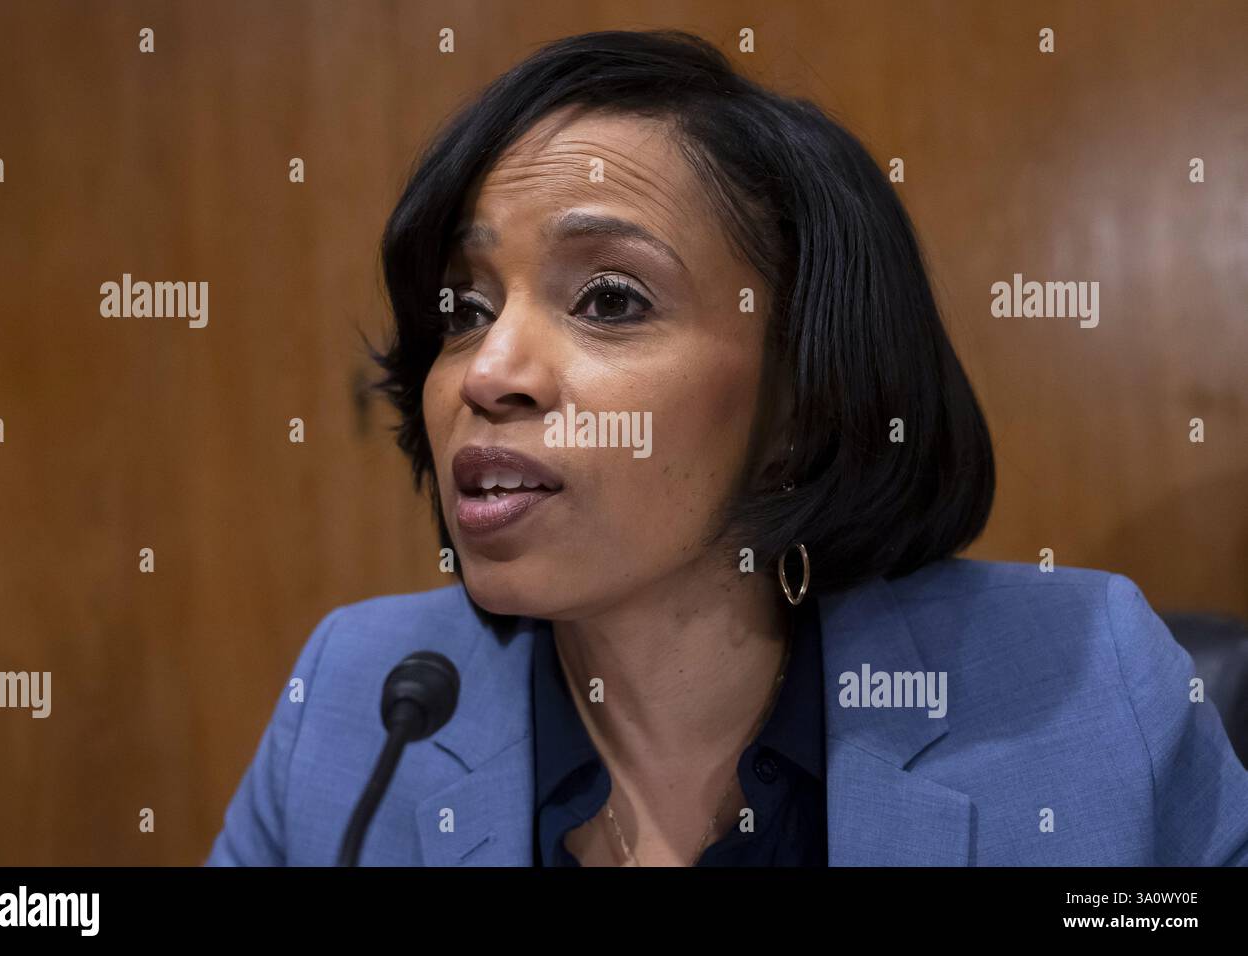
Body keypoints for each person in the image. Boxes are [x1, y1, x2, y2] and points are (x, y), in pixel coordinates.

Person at [206, 29, 1248, 866]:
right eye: (466, 308)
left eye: (608, 298)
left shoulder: (1089, 686)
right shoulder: (360, 696)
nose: (486, 372)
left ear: (800, 396)